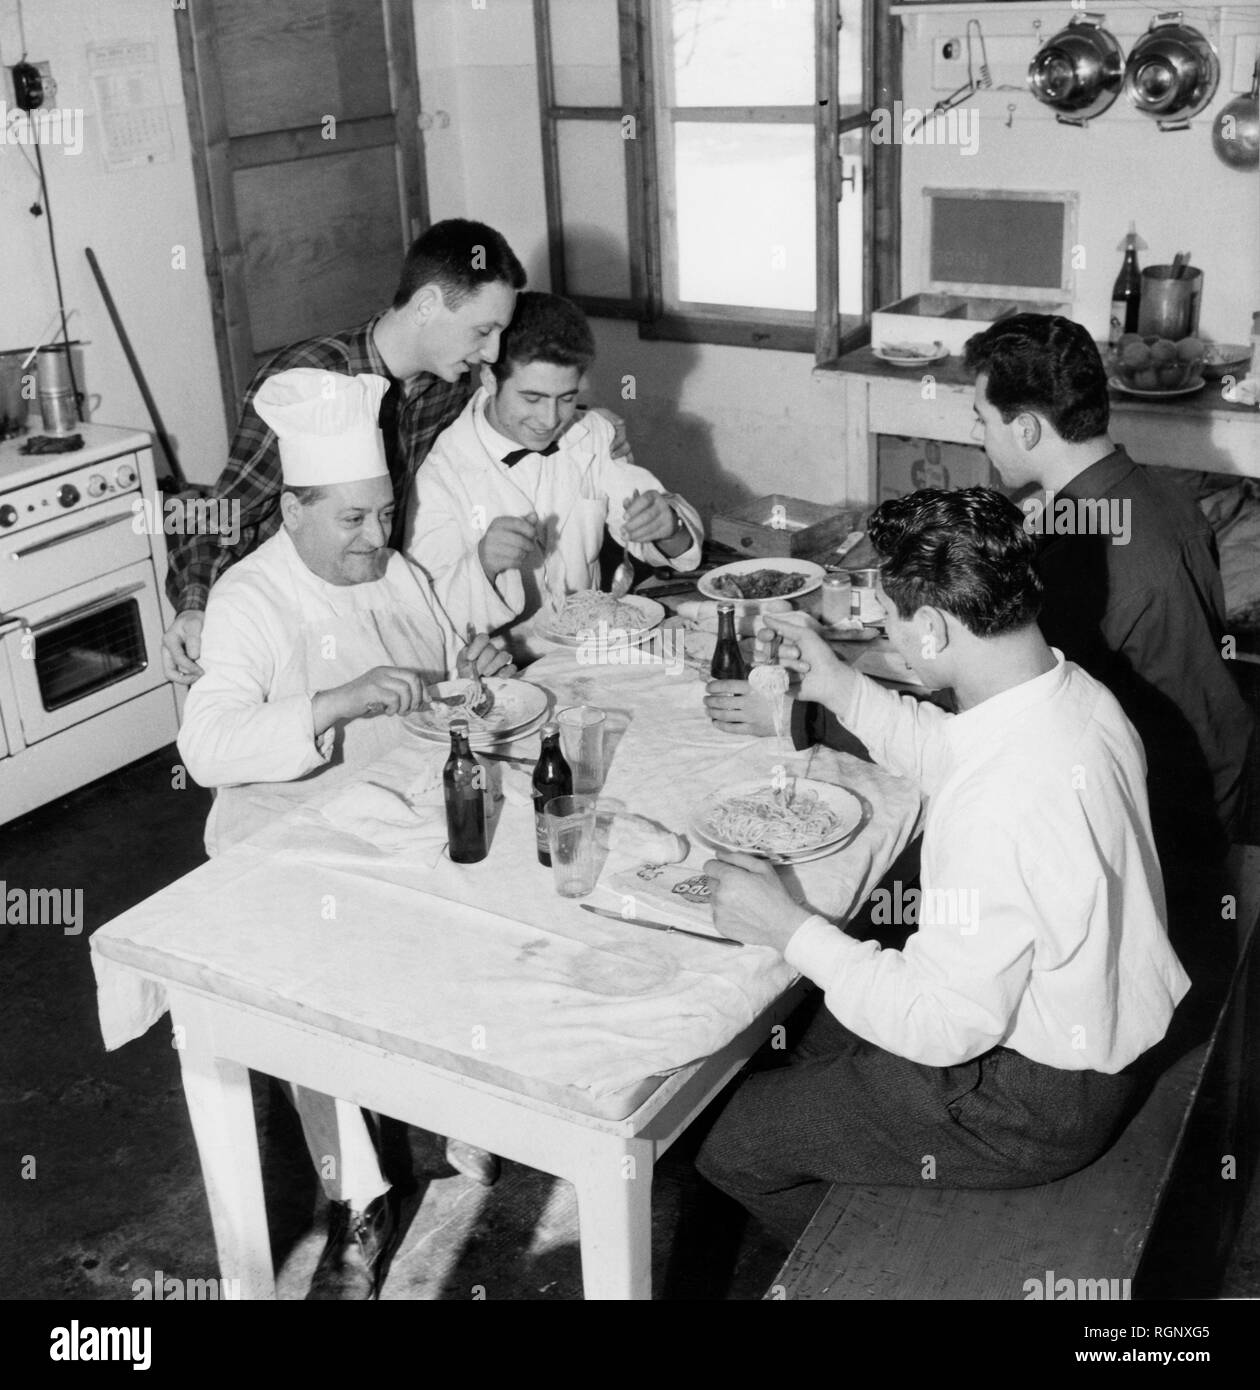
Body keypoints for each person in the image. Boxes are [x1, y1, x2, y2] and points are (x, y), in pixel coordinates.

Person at [696, 487, 1190, 1248]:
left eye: (889, 625)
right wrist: (840, 686)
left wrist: (787, 927)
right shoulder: (1072, 695)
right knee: (812, 1041)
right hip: (1090, 1035)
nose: (886, 640)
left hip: (1027, 1102)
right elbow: (953, 754)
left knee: (730, 1142)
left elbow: (943, 1024)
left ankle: (866, 1267)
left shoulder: (1002, 804)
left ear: (932, 624)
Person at [178, 368, 514, 1299]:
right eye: (352, 521)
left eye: (384, 513)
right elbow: (205, 746)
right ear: (291, 511)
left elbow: (449, 674)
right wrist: (335, 699)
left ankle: (472, 1105)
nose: (377, 539)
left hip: (394, 819)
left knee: (506, 893)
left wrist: (475, 665)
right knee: (304, 996)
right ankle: (360, 1197)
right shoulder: (252, 599)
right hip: (281, 843)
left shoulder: (397, 569)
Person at [963, 314, 1253, 976]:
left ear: (1028, 428)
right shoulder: (1164, 492)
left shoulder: (1075, 558)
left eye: (982, 418)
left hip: (1160, 825)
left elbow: (1020, 717)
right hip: (1219, 777)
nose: (975, 433)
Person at [161, 218, 526, 683]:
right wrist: (195, 606)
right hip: (285, 621)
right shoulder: (310, 376)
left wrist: (584, 427)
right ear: (427, 305)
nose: (493, 352)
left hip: (370, 601)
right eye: (483, 331)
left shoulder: (445, 387)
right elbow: (222, 513)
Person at [403, 290, 703, 661]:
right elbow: (422, 620)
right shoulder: (442, 475)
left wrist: (667, 524)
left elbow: (669, 540)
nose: (550, 421)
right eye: (532, 398)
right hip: (507, 673)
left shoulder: (590, 434)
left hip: (595, 652)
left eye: (565, 398)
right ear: (490, 380)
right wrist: (482, 564)